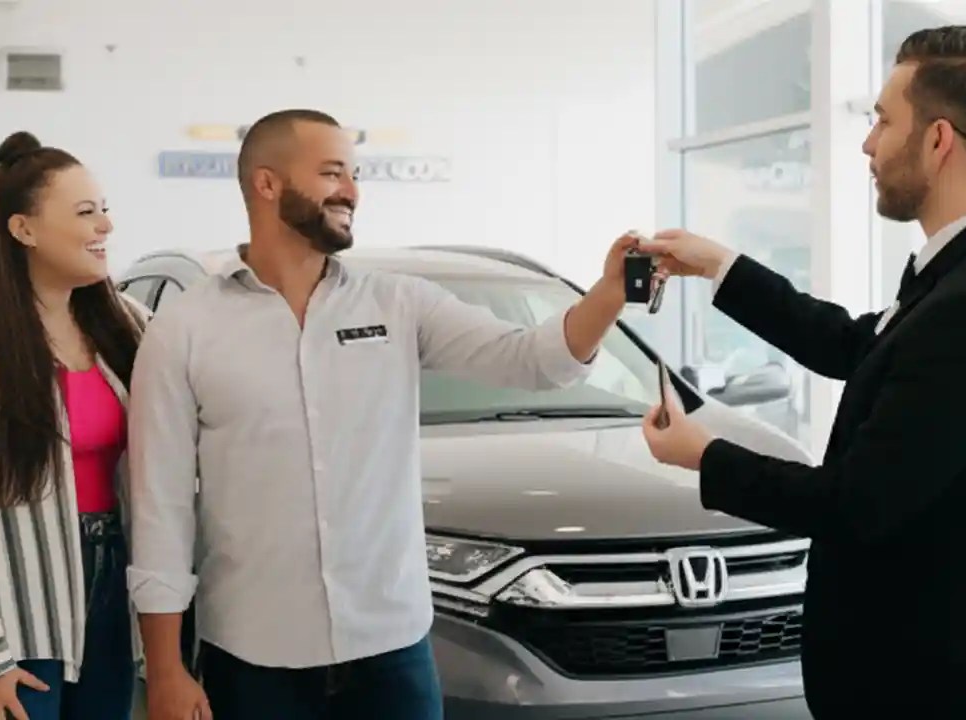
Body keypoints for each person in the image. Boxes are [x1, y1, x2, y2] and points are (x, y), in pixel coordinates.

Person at [127, 108, 642, 720]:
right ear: (267, 184)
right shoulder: (186, 327)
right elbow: (160, 509)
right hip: (252, 655)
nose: (351, 190)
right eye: (331, 172)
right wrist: (165, 669)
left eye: (355, 174)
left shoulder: (398, 303)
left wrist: (610, 292)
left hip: (391, 652)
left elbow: (533, 360)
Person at [640, 25, 966, 720]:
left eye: (882, 120)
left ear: (938, 141)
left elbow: (854, 504)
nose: (868, 143)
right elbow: (855, 344)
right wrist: (720, 266)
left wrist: (705, 455)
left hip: (928, 687)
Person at [0, 131, 149, 720]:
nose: (106, 226)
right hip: (14, 617)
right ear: (23, 230)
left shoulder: (127, 325)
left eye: (104, 210)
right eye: (86, 212)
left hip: (110, 599)